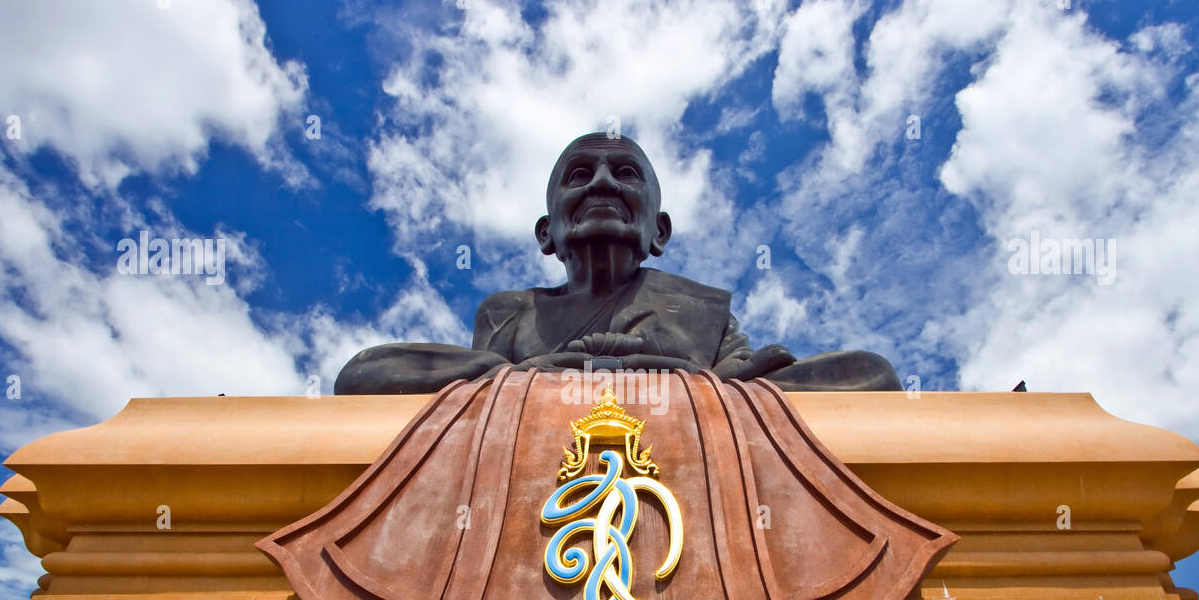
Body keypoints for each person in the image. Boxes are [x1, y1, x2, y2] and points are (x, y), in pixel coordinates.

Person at [335, 133, 902, 394]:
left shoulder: (701, 312)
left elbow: (747, 387)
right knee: (363, 372)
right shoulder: (509, 313)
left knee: (871, 373)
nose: (603, 182)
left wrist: (700, 381)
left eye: (625, 174)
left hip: (689, 444)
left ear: (658, 230)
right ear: (546, 233)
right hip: (537, 449)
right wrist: (526, 374)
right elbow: (469, 401)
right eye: (579, 176)